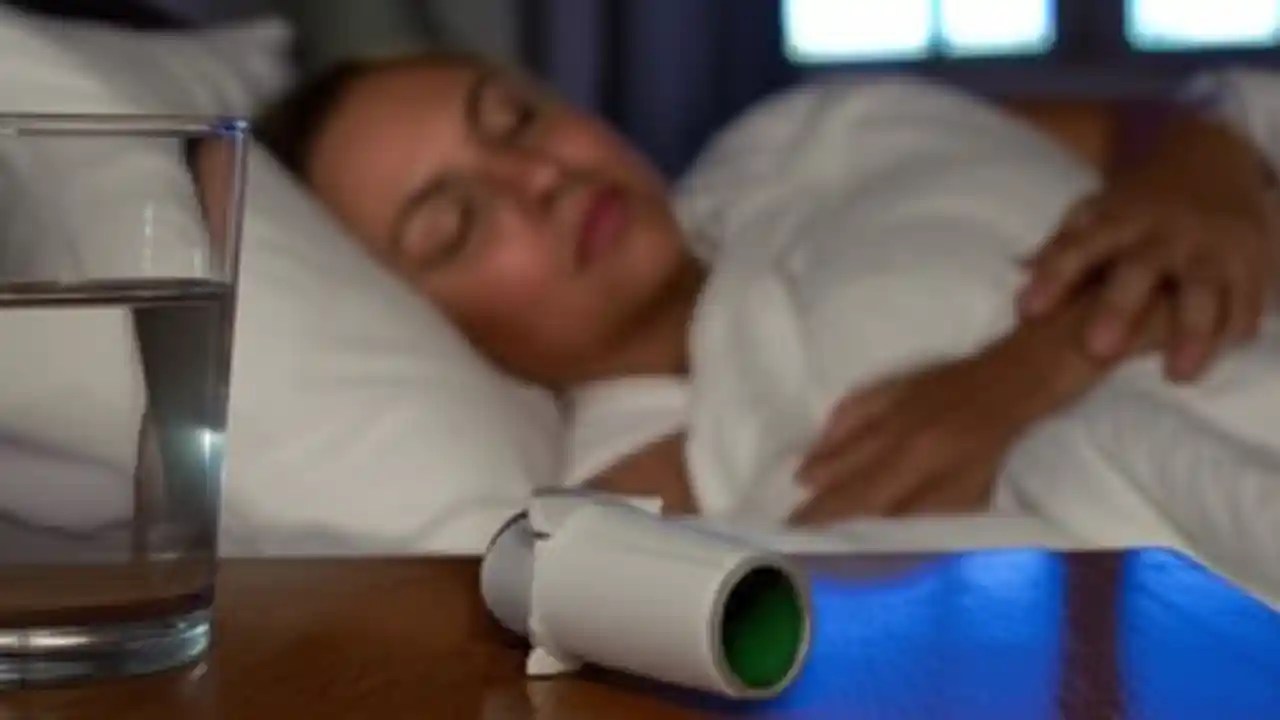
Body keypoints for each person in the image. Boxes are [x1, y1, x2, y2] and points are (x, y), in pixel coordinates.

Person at [256, 54, 1280, 529]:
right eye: (458, 222)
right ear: (425, 328)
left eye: (514, 120)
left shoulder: (803, 138)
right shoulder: (631, 496)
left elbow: (1151, 134)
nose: (540, 178)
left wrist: (1204, 162)